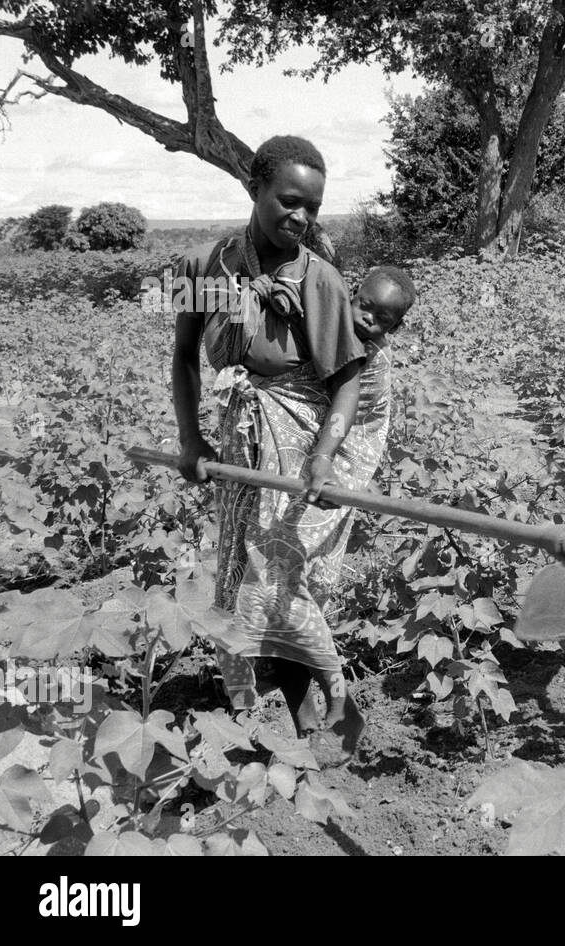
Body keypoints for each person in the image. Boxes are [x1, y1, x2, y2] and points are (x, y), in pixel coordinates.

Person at [171, 136, 394, 760]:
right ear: (254, 188)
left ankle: (317, 709)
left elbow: (348, 381)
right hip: (241, 444)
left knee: (274, 576)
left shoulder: (318, 280)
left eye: (313, 208)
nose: (300, 218)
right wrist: (191, 438)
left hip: (299, 441)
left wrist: (323, 458)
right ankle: (275, 709)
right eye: (289, 202)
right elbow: (185, 356)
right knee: (248, 576)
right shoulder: (200, 267)